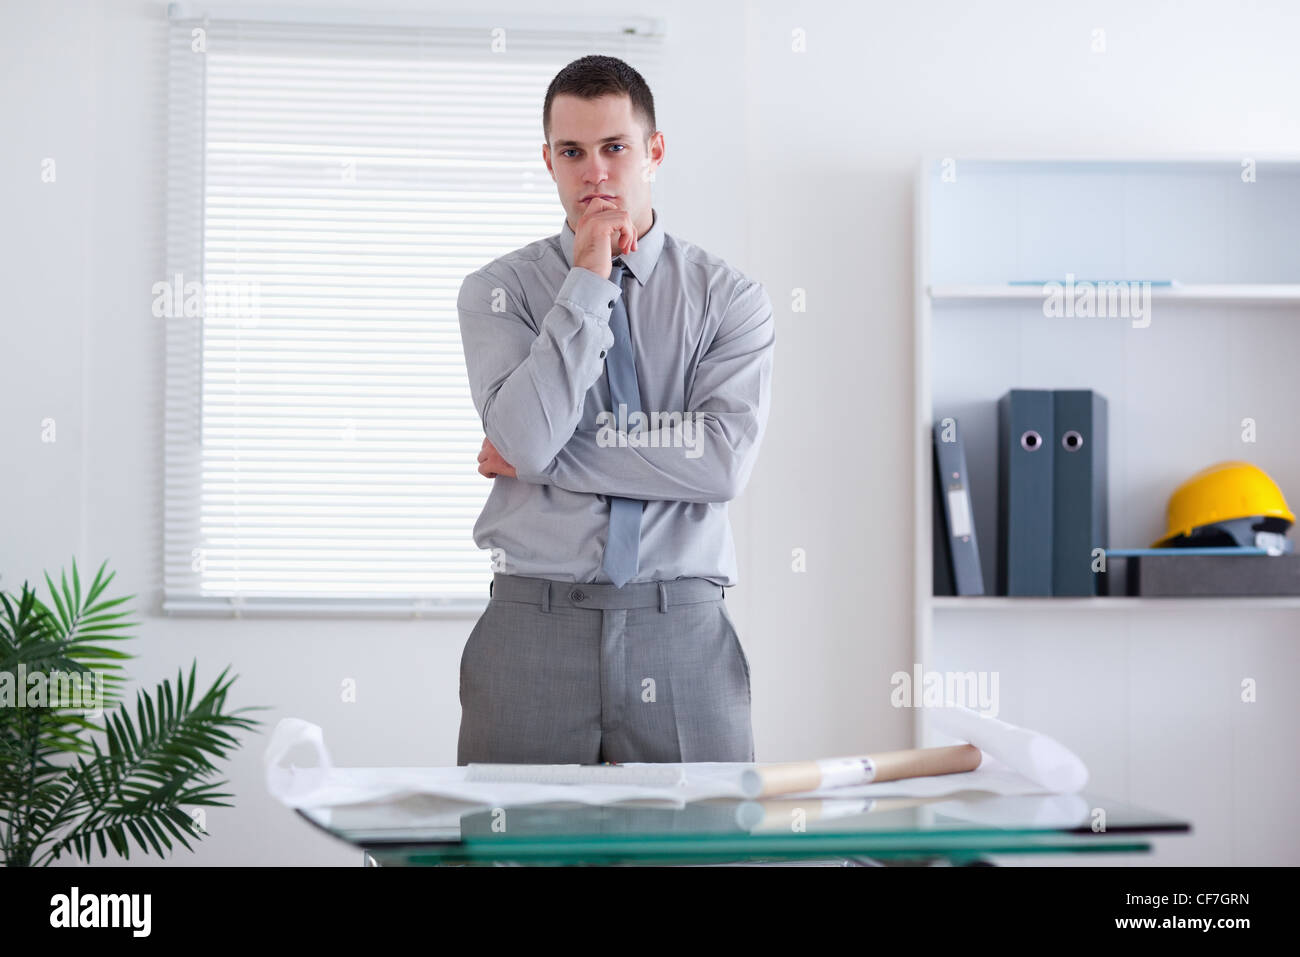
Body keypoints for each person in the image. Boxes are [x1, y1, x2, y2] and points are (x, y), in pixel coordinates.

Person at [455, 54, 774, 765]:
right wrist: (588, 278)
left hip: (681, 622)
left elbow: (720, 462)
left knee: (708, 850)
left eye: (614, 148)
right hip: (530, 628)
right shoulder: (496, 292)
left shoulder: (730, 299)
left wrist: (545, 458)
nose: (593, 172)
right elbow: (528, 440)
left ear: (653, 151)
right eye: (572, 152)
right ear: (548, 161)